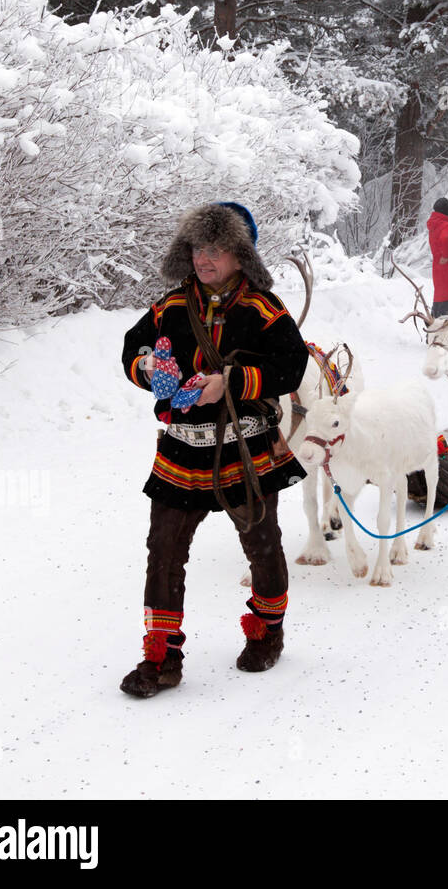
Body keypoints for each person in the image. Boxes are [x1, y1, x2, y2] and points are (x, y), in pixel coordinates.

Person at [119, 202, 309, 697]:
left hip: (246, 451)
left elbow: (292, 368)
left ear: (240, 257)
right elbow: (131, 349)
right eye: (198, 249)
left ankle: (267, 632)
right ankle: (161, 657)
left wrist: (230, 382)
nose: (204, 259)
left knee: (262, 546)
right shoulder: (171, 306)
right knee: (162, 551)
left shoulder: (265, 309)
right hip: (182, 451)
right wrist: (148, 371)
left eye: (216, 250)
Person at [426, 197, 448, 316]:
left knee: (441, 297)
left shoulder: (435, 224)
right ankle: (441, 327)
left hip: (439, 267)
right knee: (447, 302)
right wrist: (446, 255)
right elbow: (446, 238)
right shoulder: (446, 226)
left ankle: (434, 322)